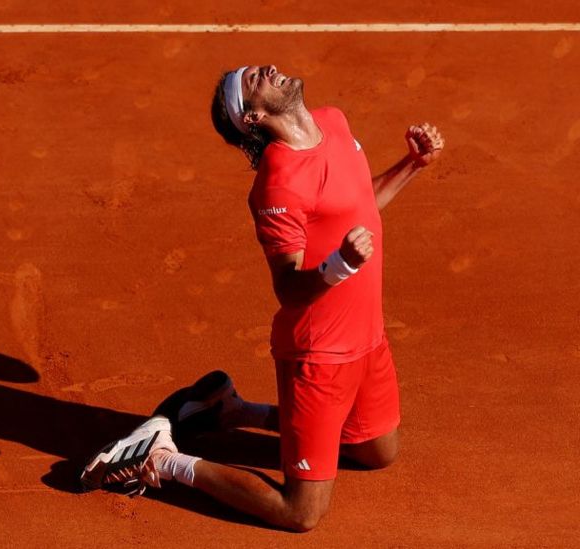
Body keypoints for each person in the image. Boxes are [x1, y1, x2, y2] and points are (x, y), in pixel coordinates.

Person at [80, 64, 444, 532]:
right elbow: (288, 289)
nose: (269, 70)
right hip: (318, 355)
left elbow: (358, 204)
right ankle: (163, 458)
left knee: (376, 451)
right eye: (255, 81)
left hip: (368, 338)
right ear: (252, 118)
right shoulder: (278, 182)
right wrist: (341, 264)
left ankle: (231, 411)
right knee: (300, 512)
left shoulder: (333, 121)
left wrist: (412, 164)